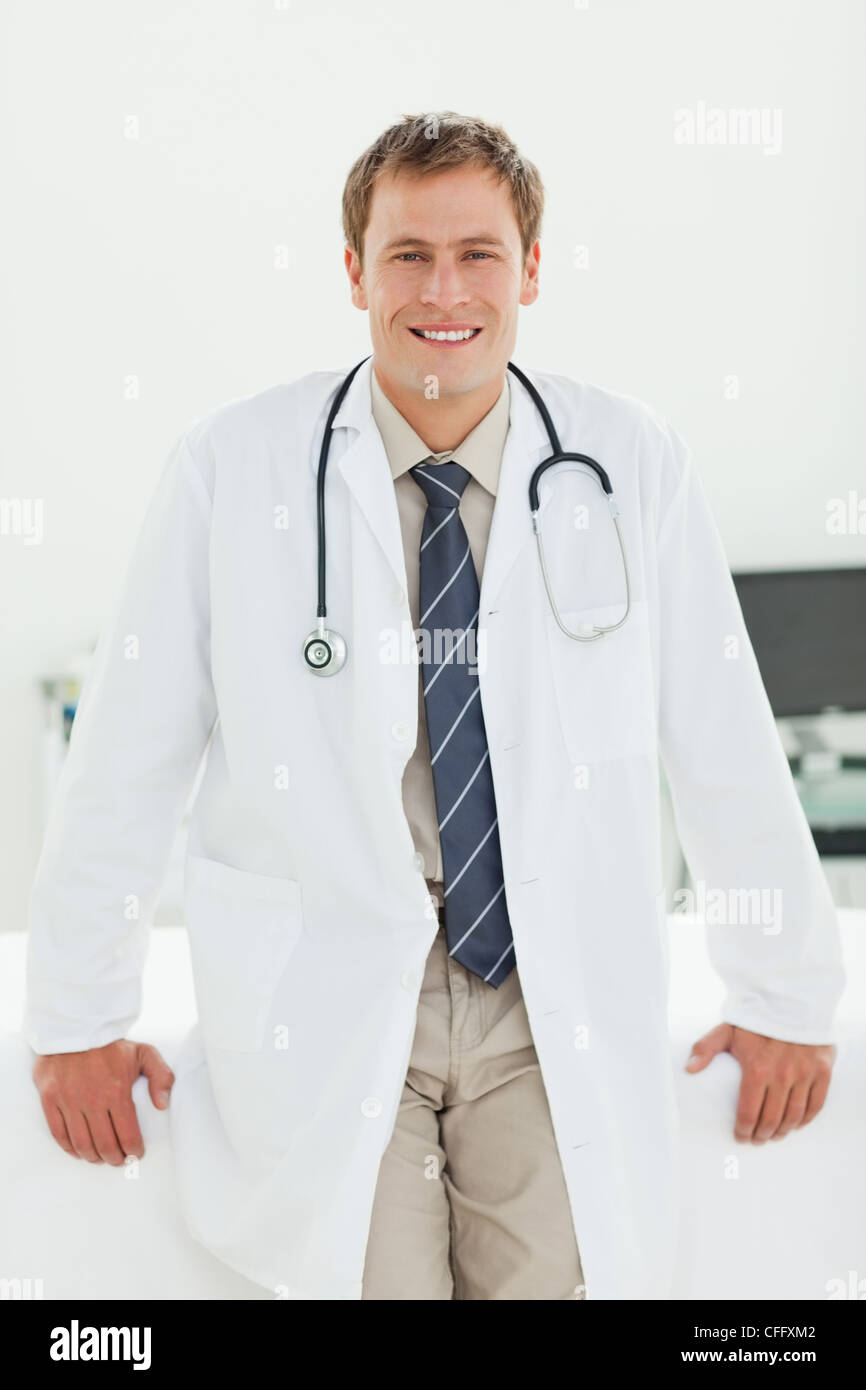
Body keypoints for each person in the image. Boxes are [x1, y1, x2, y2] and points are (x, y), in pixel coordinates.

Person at [24, 111, 844, 1301]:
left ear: (531, 269)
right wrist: (76, 1013)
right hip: (338, 993)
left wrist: (784, 992)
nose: (443, 289)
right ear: (354, 269)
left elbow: (717, 734)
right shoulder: (231, 467)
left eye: (479, 253)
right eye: (407, 253)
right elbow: (126, 755)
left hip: (541, 998)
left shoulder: (629, 461)